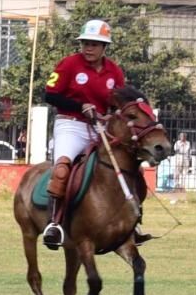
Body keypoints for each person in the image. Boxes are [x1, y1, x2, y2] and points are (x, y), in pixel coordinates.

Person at [39, 18, 131, 249]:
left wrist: (111, 115)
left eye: (94, 44)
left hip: (100, 127)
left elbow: (119, 102)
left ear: (104, 47)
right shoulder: (69, 64)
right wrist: (80, 106)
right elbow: (49, 95)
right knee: (62, 169)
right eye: (85, 43)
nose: (88, 48)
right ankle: (54, 224)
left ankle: (130, 222)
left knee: (123, 166)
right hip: (71, 125)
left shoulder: (114, 71)